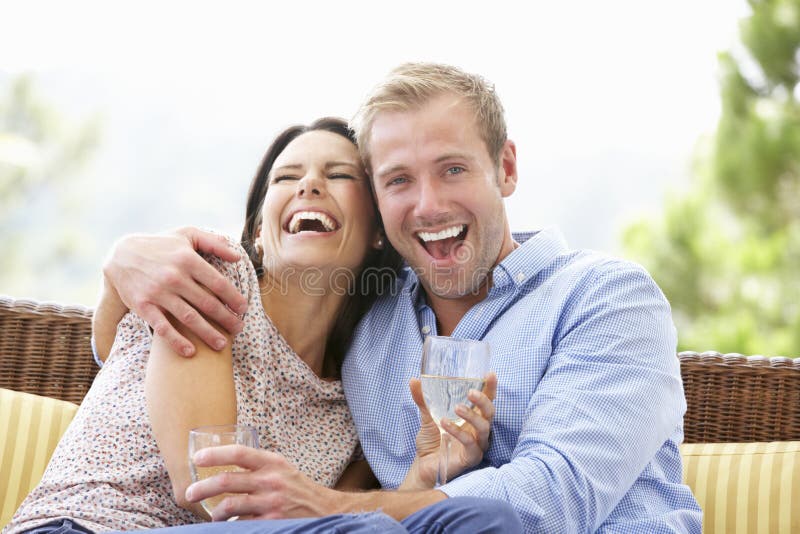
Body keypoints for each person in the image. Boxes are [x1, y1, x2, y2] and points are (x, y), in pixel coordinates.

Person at [91, 63, 703, 533]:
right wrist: (123, 262)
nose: (429, 205)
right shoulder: (368, 326)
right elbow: (135, 357)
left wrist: (327, 505)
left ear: (507, 168)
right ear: (379, 212)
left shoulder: (605, 298)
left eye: (453, 169)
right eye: (399, 181)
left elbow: (555, 499)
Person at [5, 117, 518, 534]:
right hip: (88, 527)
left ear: (379, 230)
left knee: (484, 518)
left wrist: (423, 472)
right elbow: (213, 491)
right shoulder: (211, 280)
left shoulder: (353, 390)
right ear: (257, 228)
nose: (310, 184)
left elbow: (328, 509)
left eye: (338, 175)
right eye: (286, 177)